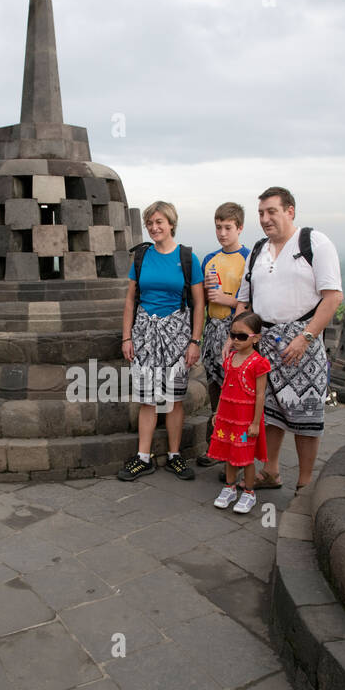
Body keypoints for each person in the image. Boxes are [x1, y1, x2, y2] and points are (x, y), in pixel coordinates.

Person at [233, 187, 343, 492]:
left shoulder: (314, 243)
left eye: (272, 211)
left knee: (305, 413)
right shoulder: (257, 251)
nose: (265, 219)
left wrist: (306, 337)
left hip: (302, 341)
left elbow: (333, 297)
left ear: (290, 211)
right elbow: (244, 301)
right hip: (264, 339)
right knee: (267, 410)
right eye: (261, 213)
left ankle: (305, 483)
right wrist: (237, 336)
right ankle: (271, 471)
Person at [117, 201, 205, 481]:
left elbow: (199, 305)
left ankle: (175, 455)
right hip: (143, 333)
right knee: (147, 399)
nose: (154, 228)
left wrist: (195, 341)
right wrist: (126, 336)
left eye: (159, 222)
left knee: (174, 399)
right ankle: (143, 457)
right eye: (150, 223)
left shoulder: (187, 258)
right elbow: (131, 299)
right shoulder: (141, 257)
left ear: (171, 224)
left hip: (178, 334)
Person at [197, 202, 252, 468]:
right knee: (215, 390)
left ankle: (236, 453)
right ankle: (214, 446)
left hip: (237, 332)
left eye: (228, 228)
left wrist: (227, 299)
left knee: (237, 395)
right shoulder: (209, 259)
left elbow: (254, 302)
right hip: (212, 330)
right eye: (218, 227)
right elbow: (203, 301)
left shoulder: (249, 258)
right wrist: (209, 297)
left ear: (239, 228)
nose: (222, 233)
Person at [207, 311, 271, 514]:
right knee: (228, 454)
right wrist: (217, 412)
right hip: (227, 417)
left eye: (242, 336)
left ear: (256, 338)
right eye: (232, 335)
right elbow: (225, 386)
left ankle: (249, 492)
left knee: (244, 456)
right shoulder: (230, 358)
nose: (235, 340)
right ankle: (229, 487)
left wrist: (254, 423)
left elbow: (260, 396)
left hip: (245, 420)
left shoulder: (259, 363)